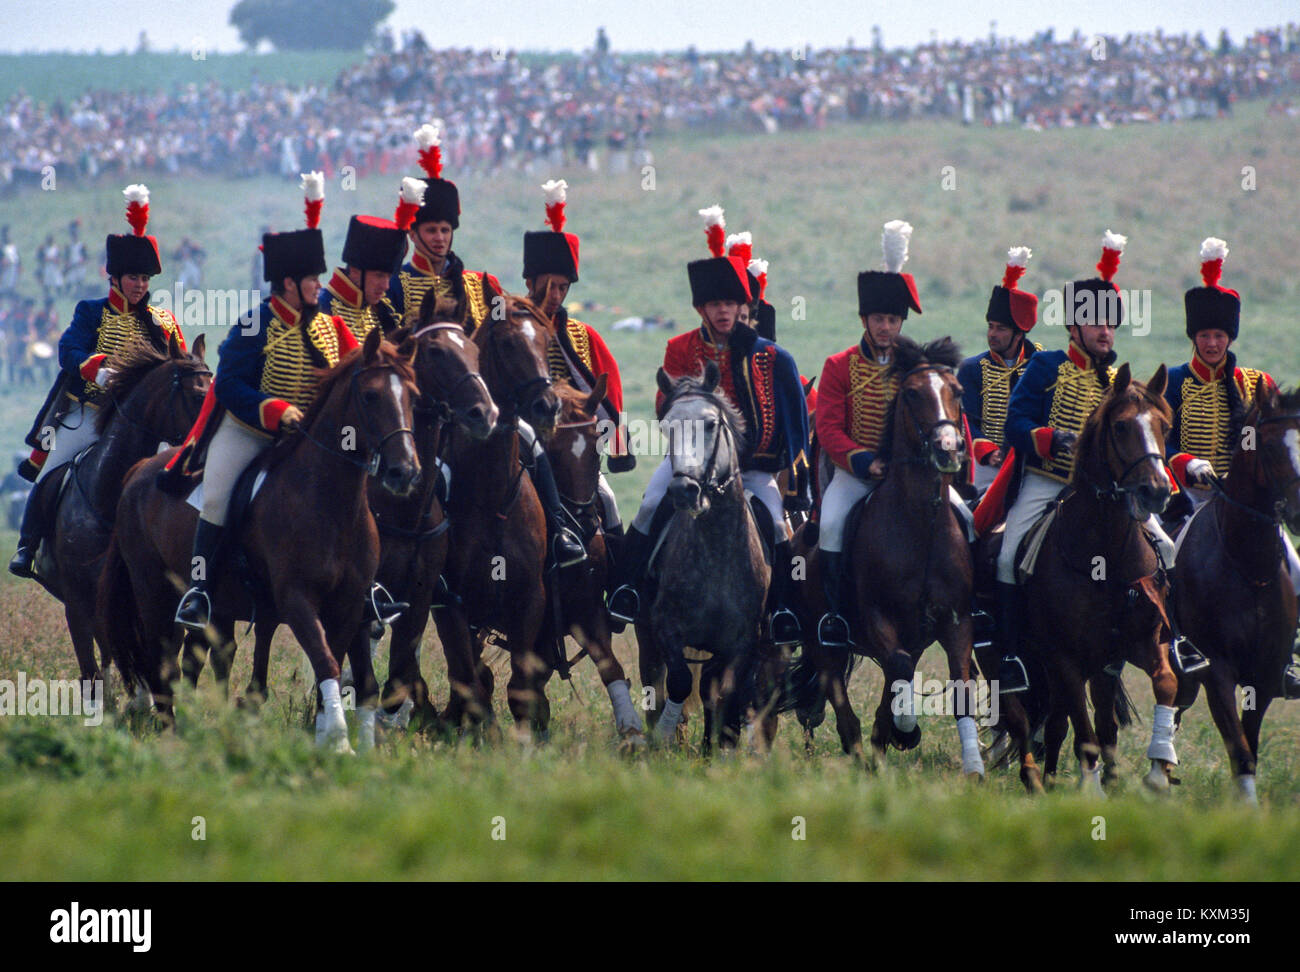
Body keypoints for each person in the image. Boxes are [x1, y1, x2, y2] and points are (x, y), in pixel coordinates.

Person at [607, 205, 811, 645]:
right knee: (648, 505)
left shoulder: (770, 356)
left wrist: (794, 478)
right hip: (690, 462)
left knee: (777, 524)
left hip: (753, 468)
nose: (723, 312)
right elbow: (665, 405)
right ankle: (627, 592)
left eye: (731, 303)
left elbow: (794, 425)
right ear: (701, 307)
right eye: (715, 304)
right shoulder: (680, 348)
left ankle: (783, 614)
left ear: (744, 306)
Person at [993, 231, 1178, 693]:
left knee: (1168, 550)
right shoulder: (1047, 366)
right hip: (1047, 482)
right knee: (1008, 554)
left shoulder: (1122, 381)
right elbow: (1015, 423)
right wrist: (1052, 438)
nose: (1104, 332)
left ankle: (1173, 642)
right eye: (1095, 324)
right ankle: (1014, 652)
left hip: (1108, 493)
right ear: (1074, 328)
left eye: (1110, 325)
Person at [174, 174, 359, 629]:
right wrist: (273, 410)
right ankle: (199, 590)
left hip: (312, 438)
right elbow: (230, 385)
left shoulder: (330, 324)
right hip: (250, 432)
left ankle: (366, 586)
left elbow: (356, 369)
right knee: (216, 497)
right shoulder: (254, 324)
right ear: (289, 284)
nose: (320, 285)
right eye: (313, 279)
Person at [10, 184, 185, 578]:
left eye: (145, 277)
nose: (140, 285)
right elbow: (68, 351)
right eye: (133, 277)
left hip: (147, 421)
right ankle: (29, 543)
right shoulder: (91, 312)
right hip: (91, 411)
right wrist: (99, 369)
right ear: (116, 277)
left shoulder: (164, 322)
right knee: (54, 467)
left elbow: (179, 365)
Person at [1164, 237, 1300, 697]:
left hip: (1247, 501)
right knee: (1164, 559)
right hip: (1191, 496)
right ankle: (1173, 642)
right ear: (1194, 338)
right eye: (1205, 336)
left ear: (1230, 338)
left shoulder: (1257, 384)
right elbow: (1160, 442)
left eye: (1219, 336)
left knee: (1295, 568)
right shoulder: (1175, 382)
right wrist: (1187, 464)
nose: (1212, 342)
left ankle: (1290, 654)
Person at [522, 179, 634, 555]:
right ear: (529, 282)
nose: (554, 296)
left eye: (563, 288)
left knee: (609, 502)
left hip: (573, 447)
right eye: (548, 286)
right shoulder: (513, 330)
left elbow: (609, 393)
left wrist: (611, 437)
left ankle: (621, 584)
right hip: (522, 442)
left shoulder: (583, 336)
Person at [386, 123, 503, 333]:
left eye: (445, 230)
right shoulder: (394, 286)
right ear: (413, 234)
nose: (440, 237)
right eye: (431, 230)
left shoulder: (481, 285)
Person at [958, 246, 1042, 492]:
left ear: (1019, 334)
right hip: (986, 464)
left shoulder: (1041, 366)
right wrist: (988, 452)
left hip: (1032, 462)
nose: (992, 334)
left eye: (1001, 329)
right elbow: (966, 419)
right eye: (991, 326)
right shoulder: (972, 369)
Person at [317, 184, 414, 341]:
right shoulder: (321, 308)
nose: (386, 286)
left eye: (389, 277)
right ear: (355, 270)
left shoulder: (384, 315)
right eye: (379, 275)